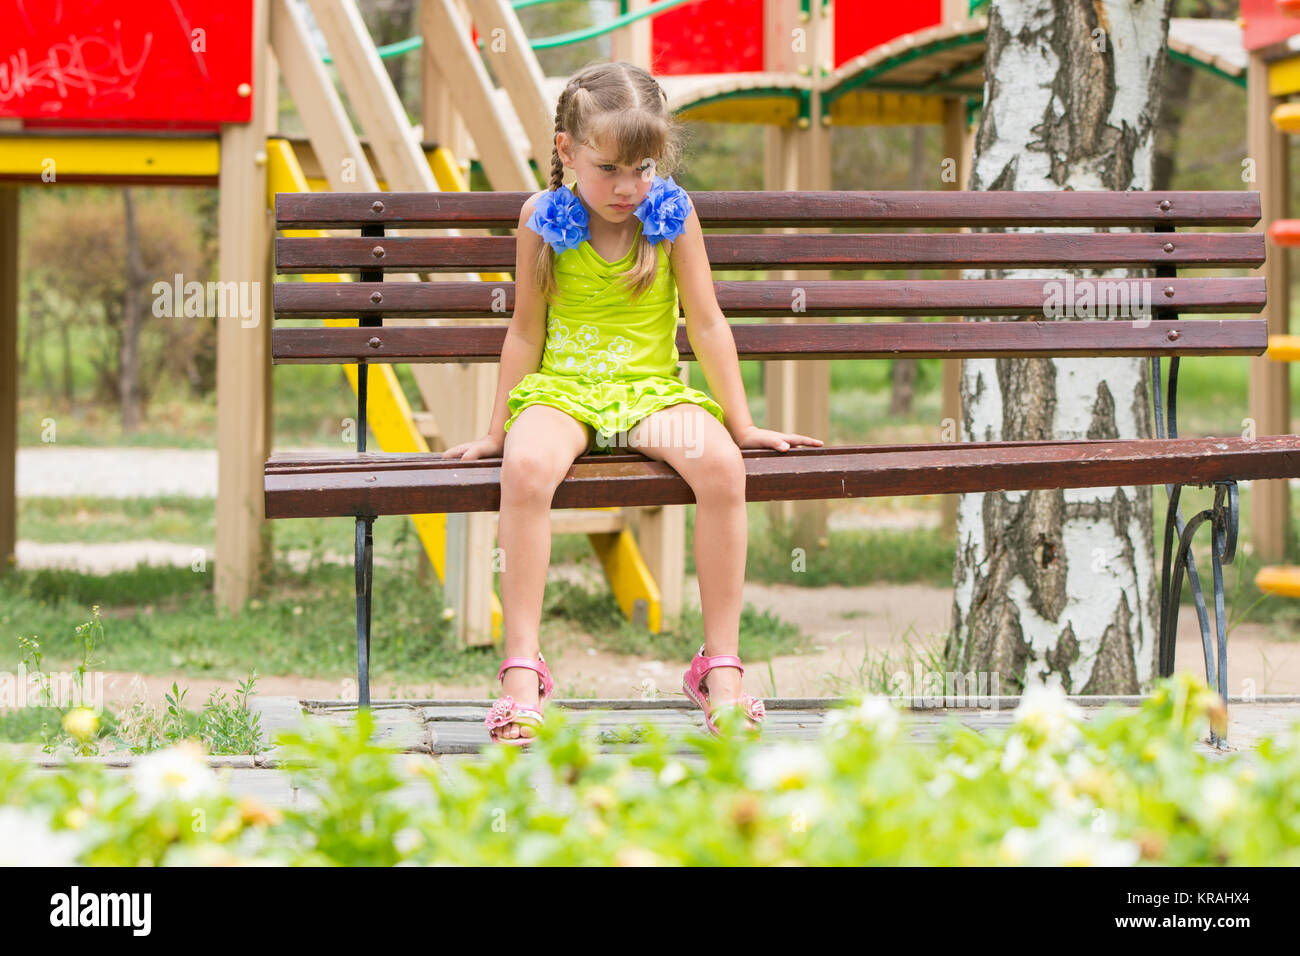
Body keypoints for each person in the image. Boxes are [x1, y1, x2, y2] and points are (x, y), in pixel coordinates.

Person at [441, 61, 822, 745]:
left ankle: (720, 667)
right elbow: (526, 332)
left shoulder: (670, 215)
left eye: (643, 167)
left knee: (723, 469)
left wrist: (742, 423)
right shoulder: (541, 220)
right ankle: (522, 669)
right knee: (525, 471)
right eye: (609, 167)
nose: (627, 187)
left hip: (650, 391)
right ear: (566, 151)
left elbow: (706, 323)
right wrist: (498, 432)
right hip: (563, 390)